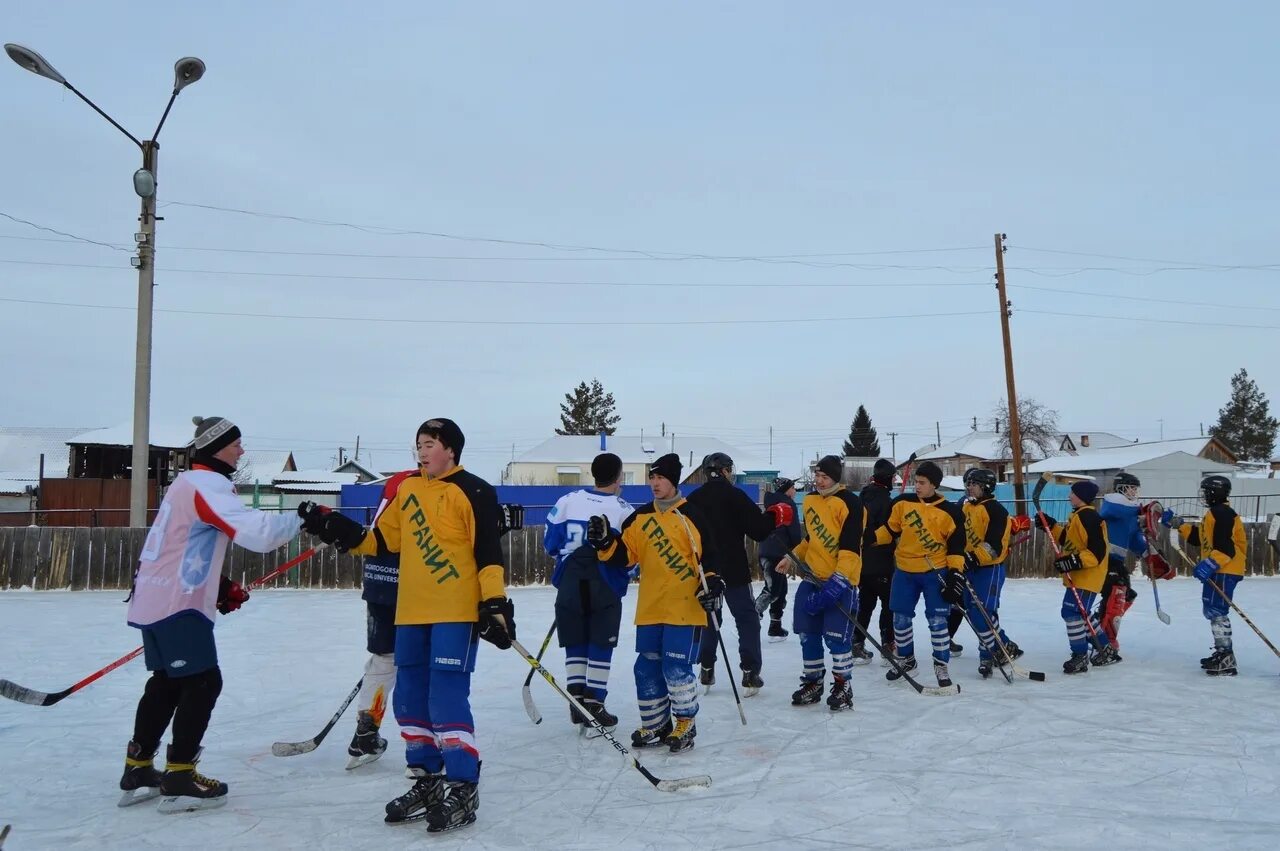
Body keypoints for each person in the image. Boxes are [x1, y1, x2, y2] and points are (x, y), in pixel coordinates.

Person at [319, 418, 514, 833]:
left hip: (454, 611)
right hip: (410, 612)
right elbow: (383, 542)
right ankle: (426, 779)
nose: (422, 452)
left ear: (451, 450)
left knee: (445, 697)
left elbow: (488, 552)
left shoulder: (475, 489)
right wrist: (340, 530)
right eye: (419, 445)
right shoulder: (407, 489)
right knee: (409, 699)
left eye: (430, 444)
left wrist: (494, 603)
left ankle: (463, 783)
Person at [120, 416, 313, 813]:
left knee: (168, 683)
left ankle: (139, 767)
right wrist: (303, 516)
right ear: (215, 448)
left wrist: (221, 586)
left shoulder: (187, 483)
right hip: (177, 603)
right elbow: (256, 532)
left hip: (159, 596)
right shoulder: (205, 484)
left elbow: (183, 543)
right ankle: (180, 774)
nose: (241, 451)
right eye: (236, 443)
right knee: (204, 682)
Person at [588, 453, 720, 753]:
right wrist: (605, 542)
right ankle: (657, 723)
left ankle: (685, 722)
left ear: (673, 481)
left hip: (685, 607)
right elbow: (624, 555)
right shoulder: (640, 517)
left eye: (660, 478)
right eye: (652, 477)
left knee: (676, 667)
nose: (654, 483)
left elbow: (710, 556)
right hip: (650, 607)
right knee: (646, 668)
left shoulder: (693, 515)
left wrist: (713, 580)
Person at [686, 452, 793, 695]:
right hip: (733, 568)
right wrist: (774, 515)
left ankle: (706, 666)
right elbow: (759, 530)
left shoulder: (693, 499)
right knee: (746, 618)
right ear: (724, 471)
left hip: (704, 570)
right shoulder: (735, 496)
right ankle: (750, 671)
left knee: (709, 618)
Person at [543, 452, 635, 730]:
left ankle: (577, 700)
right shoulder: (625, 510)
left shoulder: (567, 501)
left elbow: (549, 543)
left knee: (576, 639)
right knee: (600, 641)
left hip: (570, 580)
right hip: (605, 581)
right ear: (619, 477)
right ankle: (594, 703)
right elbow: (632, 555)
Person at [345, 466, 419, 769]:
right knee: (419, 664)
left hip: (377, 581)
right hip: (412, 585)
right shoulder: (423, 482)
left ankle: (365, 734)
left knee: (383, 658)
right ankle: (425, 742)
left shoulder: (396, 480)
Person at [776, 454, 863, 711]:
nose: (819, 481)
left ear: (836, 478)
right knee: (807, 634)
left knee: (836, 638)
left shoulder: (851, 504)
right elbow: (810, 539)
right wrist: (791, 557)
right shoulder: (811, 500)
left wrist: (838, 582)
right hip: (812, 579)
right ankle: (813, 682)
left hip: (840, 581)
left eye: (825, 477)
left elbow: (851, 548)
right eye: (817, 476)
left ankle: (842, 684)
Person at [870, 460, 964, 688]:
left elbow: (956, 547)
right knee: (900, 618)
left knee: (937, 620)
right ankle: (906, 660)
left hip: (935, 572)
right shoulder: (903, 503)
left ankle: (941, 665)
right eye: (915, 482)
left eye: (921, 483)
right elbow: (891, 530)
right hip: (904, 571)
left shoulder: (950, 512)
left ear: (934, 485)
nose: (917, 487)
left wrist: (955, 574)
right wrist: (870, 539)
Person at [1162, 475, 1247, 676]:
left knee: (1217, 610)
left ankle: (1226, 656)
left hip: (1225, 569)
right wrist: (1177, 524)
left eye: (1206, 491)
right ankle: (1222, 653)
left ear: (1215, 492)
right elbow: (1199, 539)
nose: (1203, 495)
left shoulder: (1223, 514)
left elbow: (1226, 549)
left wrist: (1209, 564)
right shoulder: (1214, 513)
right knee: (1212, 610)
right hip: (1219, 568)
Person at [1037, 480, 1120, 674]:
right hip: (1080, 574)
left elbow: (1097, 552)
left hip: (1088, 575)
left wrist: (1072, 562)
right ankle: (1106, 648)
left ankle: (1080, 656)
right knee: (1083, 613)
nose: (1069, 496)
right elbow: (1069, 540)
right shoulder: (1078, 516)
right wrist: (1050, 525)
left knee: (1071, 613)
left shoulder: (1089, 517)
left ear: (1081, 496)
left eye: (1072, 493)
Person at [952, 467, 1023, 678]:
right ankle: (1003, 646)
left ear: (986, 486)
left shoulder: (996, 510)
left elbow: (994, 545)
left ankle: (989, 653)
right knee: (976, 614)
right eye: (968, 484)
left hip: (988, 569)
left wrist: (974, 557)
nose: (969, 488)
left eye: (973, 484)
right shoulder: (966, 507)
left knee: (981, 612)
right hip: (969, 568)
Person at [1094, 471, 1145, 649]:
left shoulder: (1130, 512)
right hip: (1105, 560)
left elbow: (1134, 539)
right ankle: (1104, 639)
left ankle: (1100, 629)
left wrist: (1151, 553)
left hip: (1117, 562)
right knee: (1115, 597)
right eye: (1131, 488)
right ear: (1121, 488)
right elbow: (1112, 511)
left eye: (1135, 488)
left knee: (1125, 596)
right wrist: (1140, 512)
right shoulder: (1113, 502)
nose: (1134, 492)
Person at [856, 459, 897, 663]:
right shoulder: (886, 502)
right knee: (888, 605)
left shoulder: (862, 497)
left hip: (862, 563)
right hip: (881, 561)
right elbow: (890, 529)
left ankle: (856, 642)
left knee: (865, 604)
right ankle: (888, 643)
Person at [756, 477, 803, 641]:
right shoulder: (788, 504)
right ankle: (753, 617)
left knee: (780, 589)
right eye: (793, 488)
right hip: (776, 552)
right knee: (773, 589)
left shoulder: (770, 503)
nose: (795, 491)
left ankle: (775, 626)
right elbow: (795, 531)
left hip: (766, 550)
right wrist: (799, 549)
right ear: (787, 489)